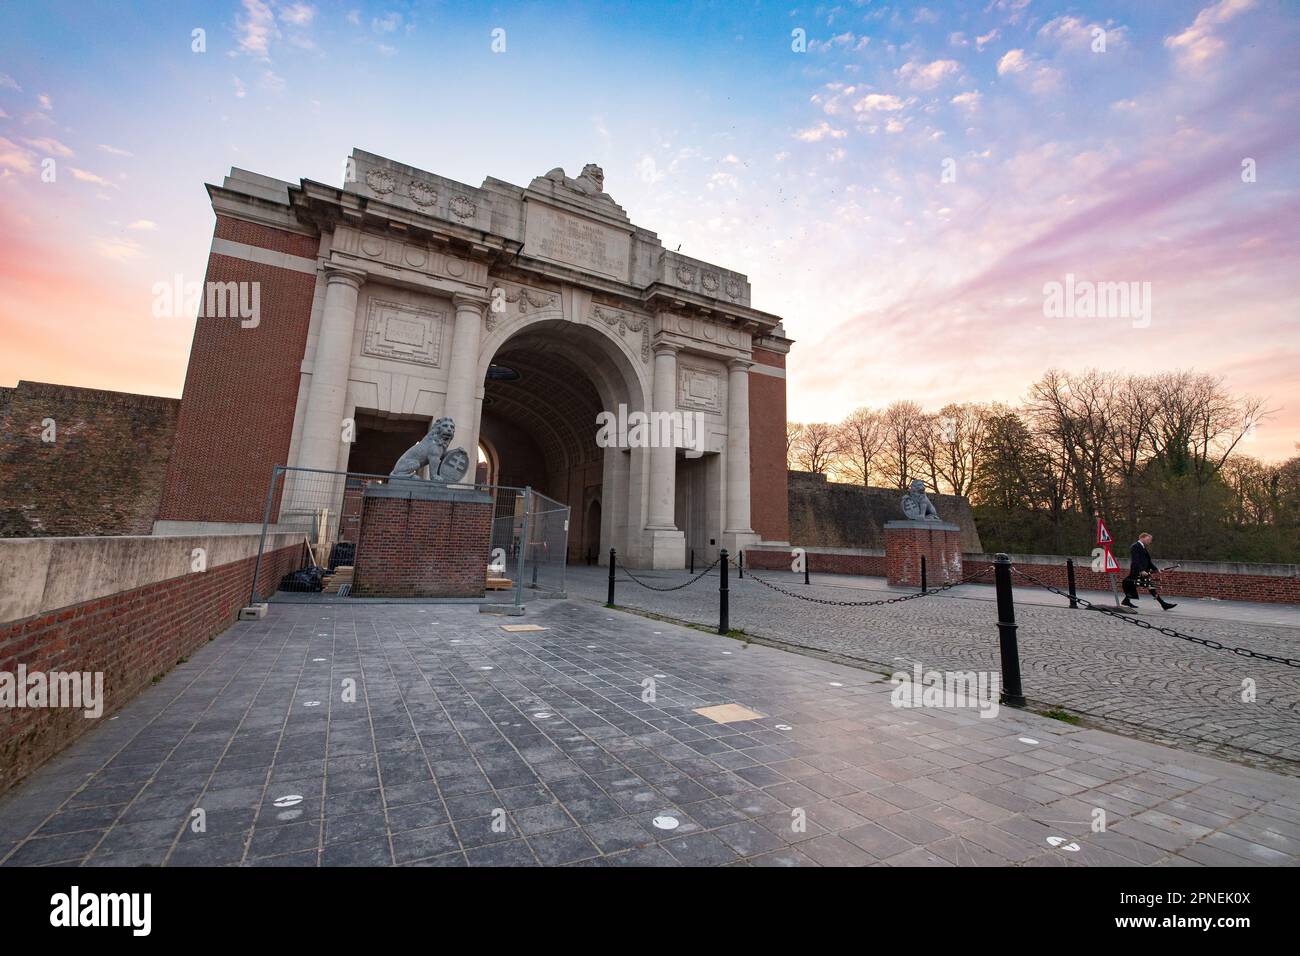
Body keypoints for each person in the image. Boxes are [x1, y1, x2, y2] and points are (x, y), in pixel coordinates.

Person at [1121, 532, 1176, 611]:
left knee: (1141, 586)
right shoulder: (1135, 546)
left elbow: (1148, 561)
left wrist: (1156, 570)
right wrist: (1141, 570)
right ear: (1142, 538)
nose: (1150, 541)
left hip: (1143, 571)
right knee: (1149, 586)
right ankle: (1163, 604)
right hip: (1137, 571)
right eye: (1148, 539)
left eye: (1150, 540)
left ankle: (1126, 601)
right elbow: (1135, 561)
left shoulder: (1143, 547)